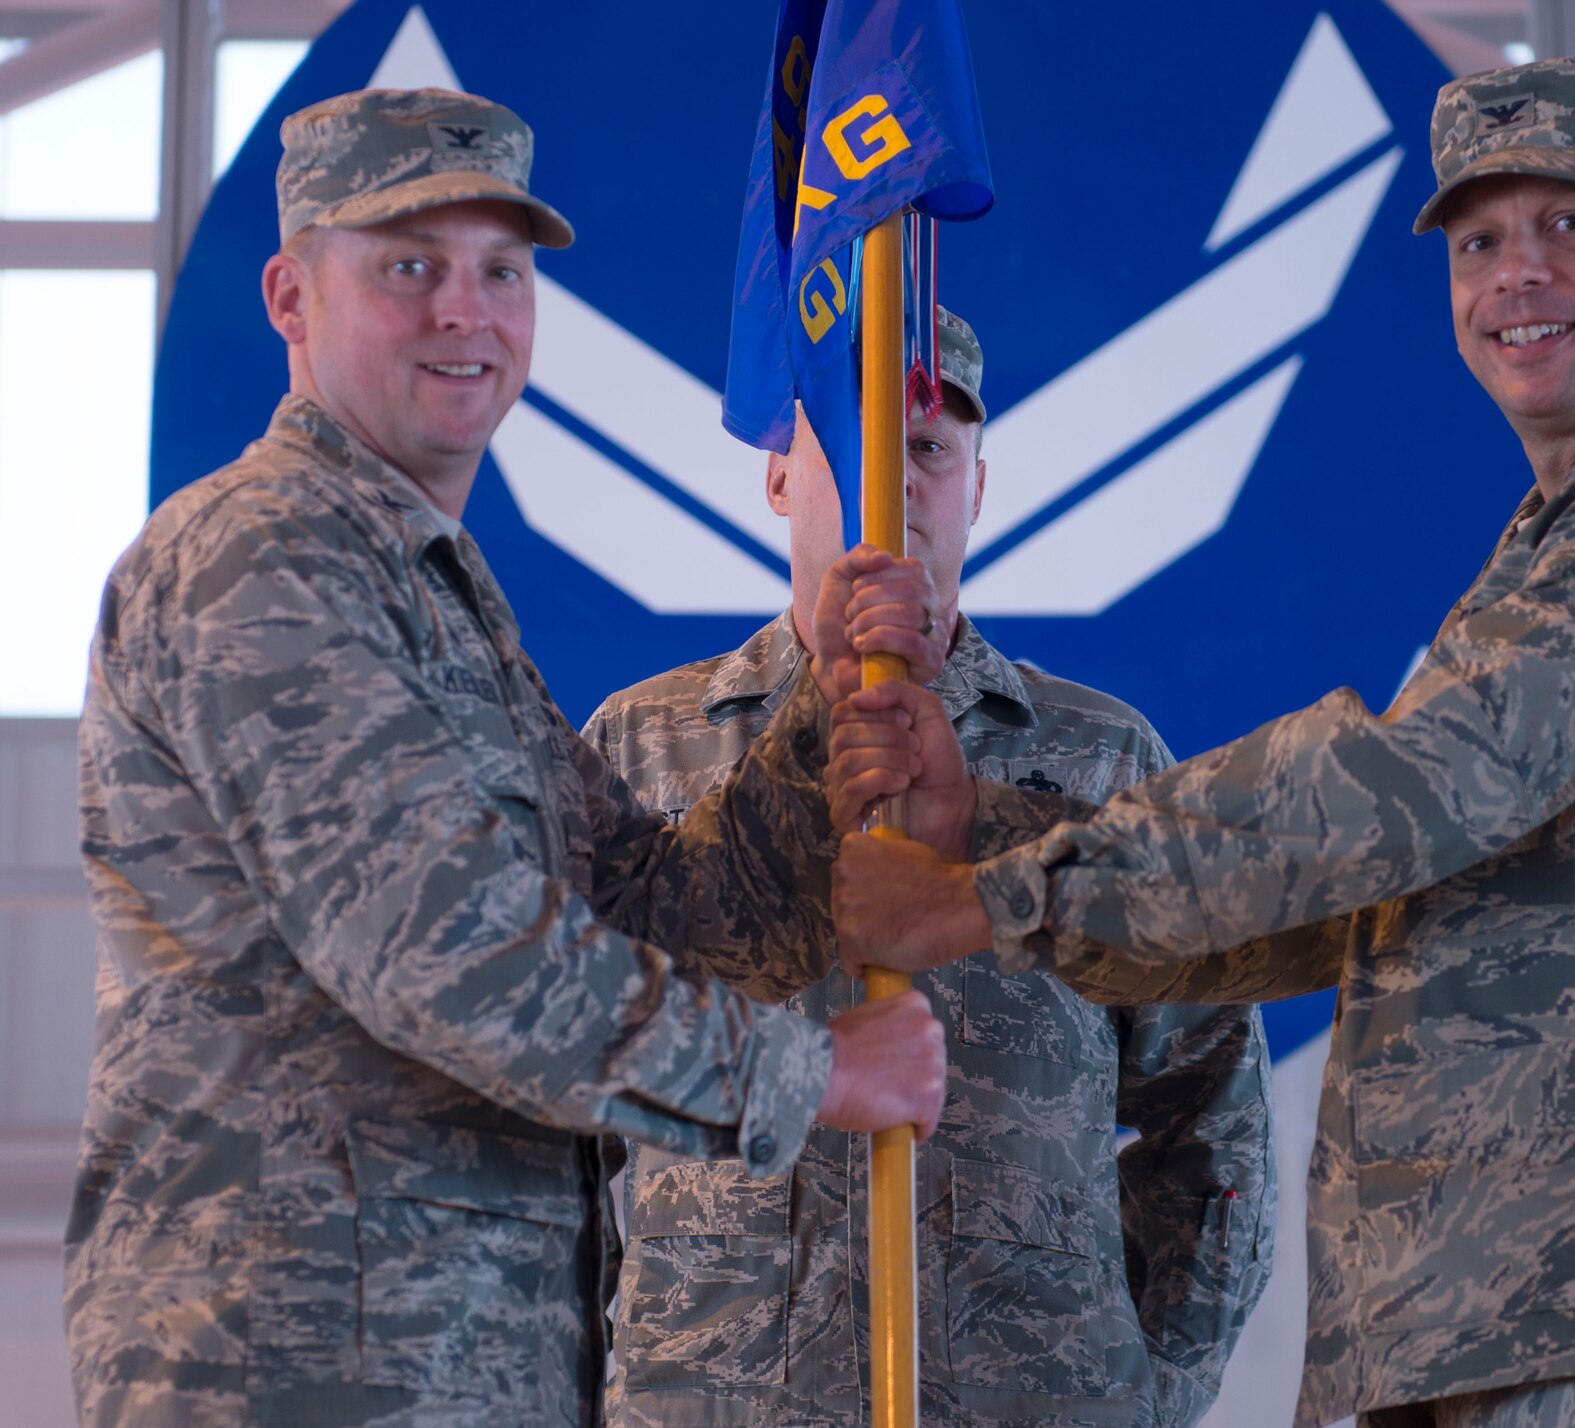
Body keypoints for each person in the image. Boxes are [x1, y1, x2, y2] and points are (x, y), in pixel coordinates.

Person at [825, 58, 1575, 1428]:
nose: (1516, 273)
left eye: (1572, 224)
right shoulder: (1550, 553)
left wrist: (985, 899)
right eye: (1479, 242)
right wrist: (987, 839)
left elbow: (1422, 782)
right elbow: (1372, 895)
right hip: (1517, 1323)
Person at [64, 87, 947, 1428]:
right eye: (408, 266)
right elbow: (444, 953)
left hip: (455, 1364)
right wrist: (811, 1075)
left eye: (501, 270)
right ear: (291, 296)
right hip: (288, 1367)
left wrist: (817, 720)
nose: (464, 311)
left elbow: (647, 913)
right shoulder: (262, 557)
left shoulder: (431, 590)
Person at [582, 308, 1276, 1428]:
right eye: (847, 437)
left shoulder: (1099, 760)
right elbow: (567, 1116)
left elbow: (1213, 1119)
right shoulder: (638, 747)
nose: (892, 479)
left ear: (976, 487)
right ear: (774, 473)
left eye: (928, 447)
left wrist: (1147, 1396)